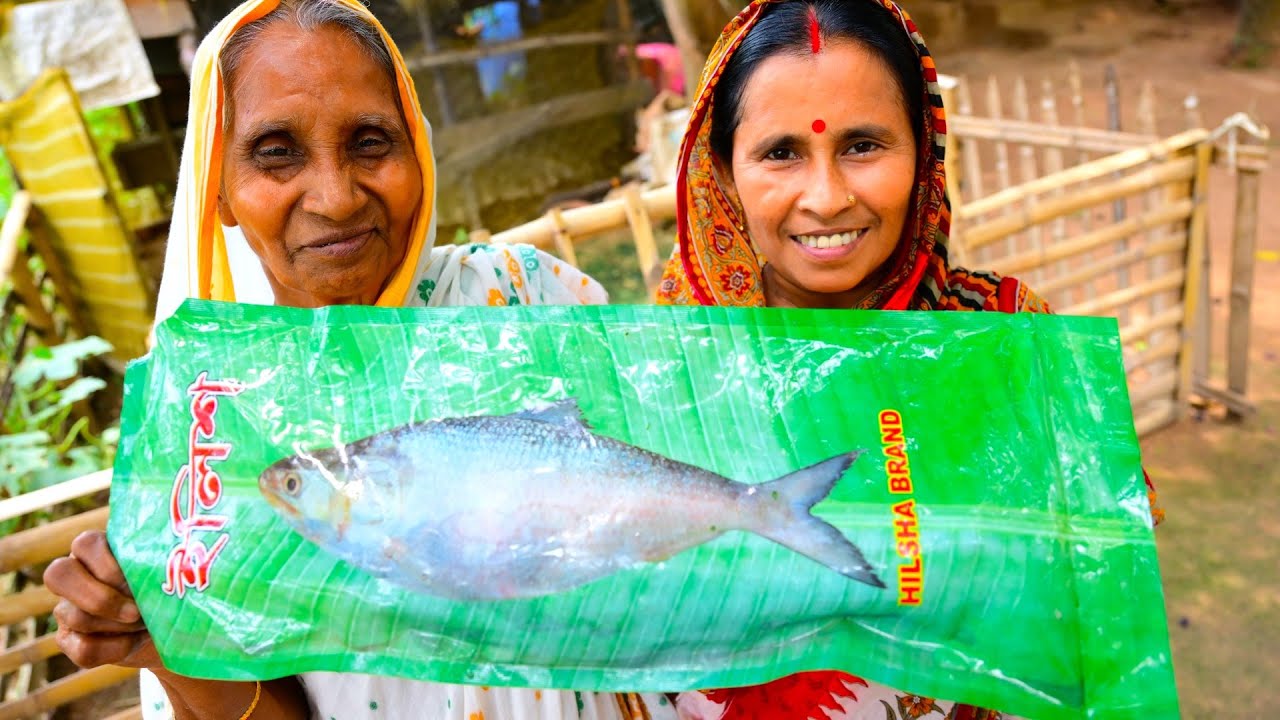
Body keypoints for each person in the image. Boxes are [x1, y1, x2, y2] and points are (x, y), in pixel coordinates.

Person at [42, 1, 675, 718]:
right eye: (276, 151)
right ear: (218, 187)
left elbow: (677, 560)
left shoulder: (528, 304)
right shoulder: (206, 422)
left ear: (419, 151)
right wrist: (154, 642)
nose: (337, 197)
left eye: (370, 141)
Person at [655, 1, 1164, 718]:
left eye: (863, 145)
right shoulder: (657, 379)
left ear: (923, 152)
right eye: (781, 152)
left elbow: (1109, 611)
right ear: (722, 171)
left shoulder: (1012, 348)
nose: (827, 198)